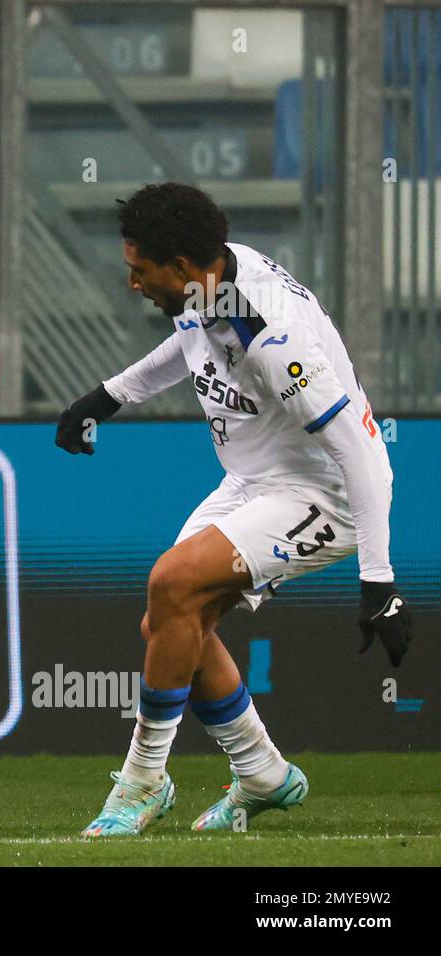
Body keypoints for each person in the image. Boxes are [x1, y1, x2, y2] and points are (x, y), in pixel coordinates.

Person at [54, 183, 411, 836]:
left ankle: (143, 781)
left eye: (140, 270)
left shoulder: (275, 337)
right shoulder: (212, 275)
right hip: (254, 478)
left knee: (172, 583)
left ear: (183, 269)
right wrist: (107, 396)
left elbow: (360, 453)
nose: (131, 282)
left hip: (322, 495)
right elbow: (192, 344)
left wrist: (379, 579)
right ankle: (264, 774)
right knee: (171, 621)